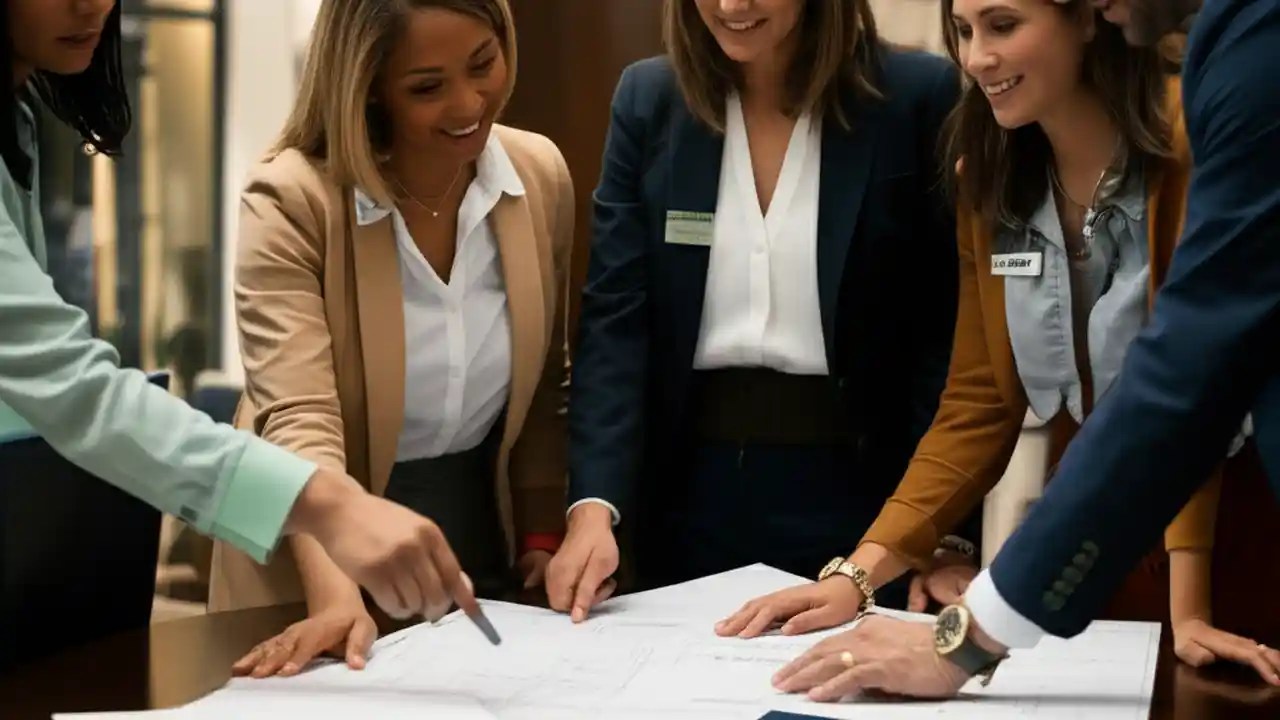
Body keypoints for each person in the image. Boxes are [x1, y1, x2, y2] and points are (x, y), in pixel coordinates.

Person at [720, 0, 1278, 681]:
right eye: (963, 31)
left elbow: (1188, 392)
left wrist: (1186, 608)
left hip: (1228, 526)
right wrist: (856, 576)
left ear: (1086, 19)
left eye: (1004, 26)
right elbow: (979, 401)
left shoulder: (1193, 139)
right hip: (1086, 529)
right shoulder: (984, 174)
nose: (977, 56)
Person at [0, 0, 477, 629]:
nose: (91, 4)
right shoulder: (287, 196)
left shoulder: (22, 119)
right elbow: (69, 385)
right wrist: (328, 503)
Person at [548, 0, 961, 622]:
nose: (732, 6)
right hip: (687, 499)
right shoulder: (649, 97)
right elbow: (616, 323)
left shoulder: (915, 95)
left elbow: (947, 333)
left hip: (871, 502)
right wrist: (593, 507)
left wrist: (942, 531)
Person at [216, 0, 572, 678]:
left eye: (483, 65)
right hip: (313, 551)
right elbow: (296, 419)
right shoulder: (291, 201)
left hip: (474, 540)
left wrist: (540, 537)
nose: (470, 103)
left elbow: (546, 387)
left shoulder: (537, 176)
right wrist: (335, 594)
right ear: (369, 84)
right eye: (427, 87)